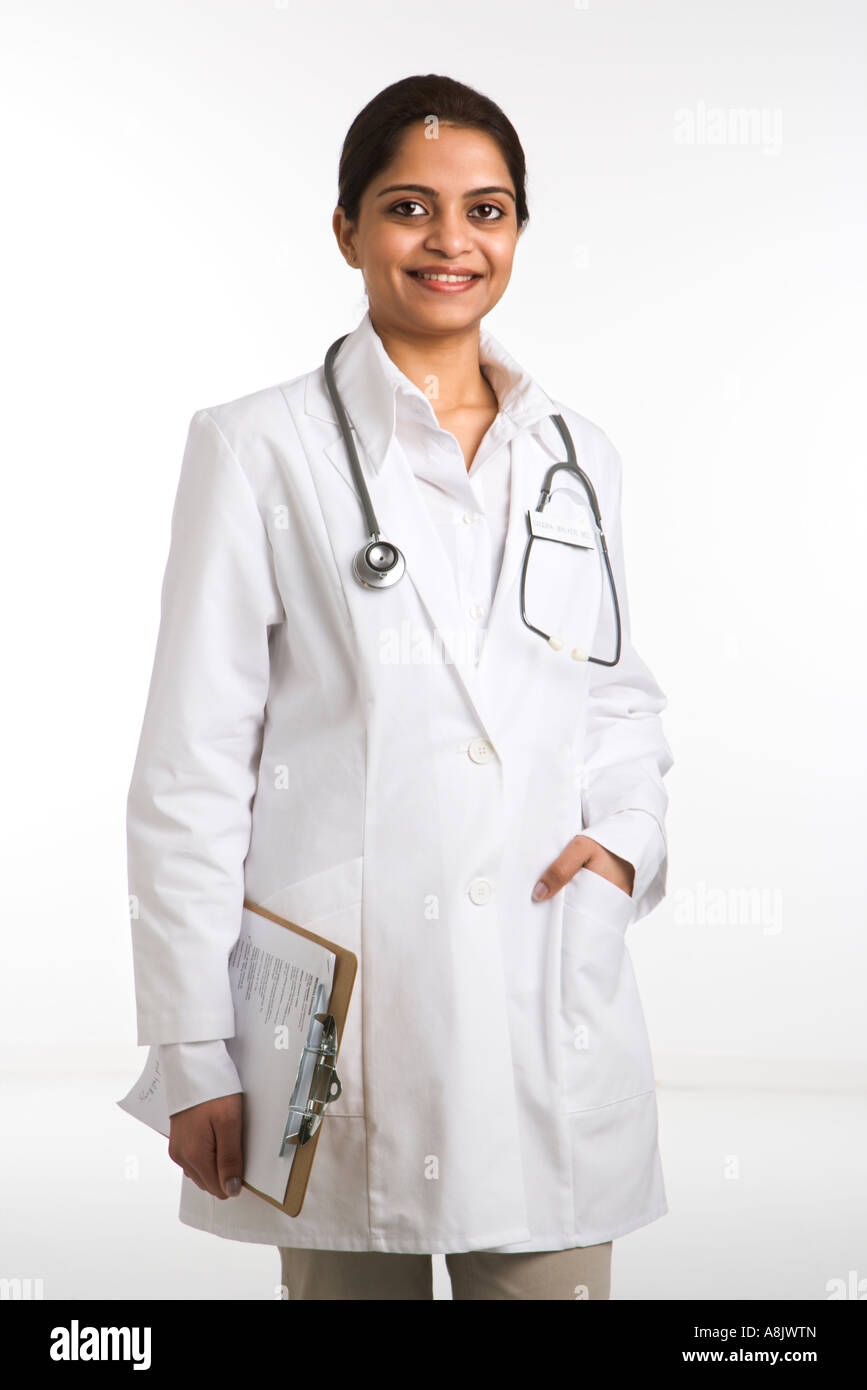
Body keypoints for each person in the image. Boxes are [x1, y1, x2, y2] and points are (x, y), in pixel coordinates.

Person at [125, 73, 674, 1301]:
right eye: (409, 206)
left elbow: (619, 699)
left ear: (518, 233)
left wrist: (625, 844)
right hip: (346, 1018)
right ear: (348, 230)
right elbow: (191, 762)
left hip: (547, 995)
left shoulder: (580, 458)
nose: (450, 241)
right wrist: (191, 1047)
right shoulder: (256, 446)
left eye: (486, 210)